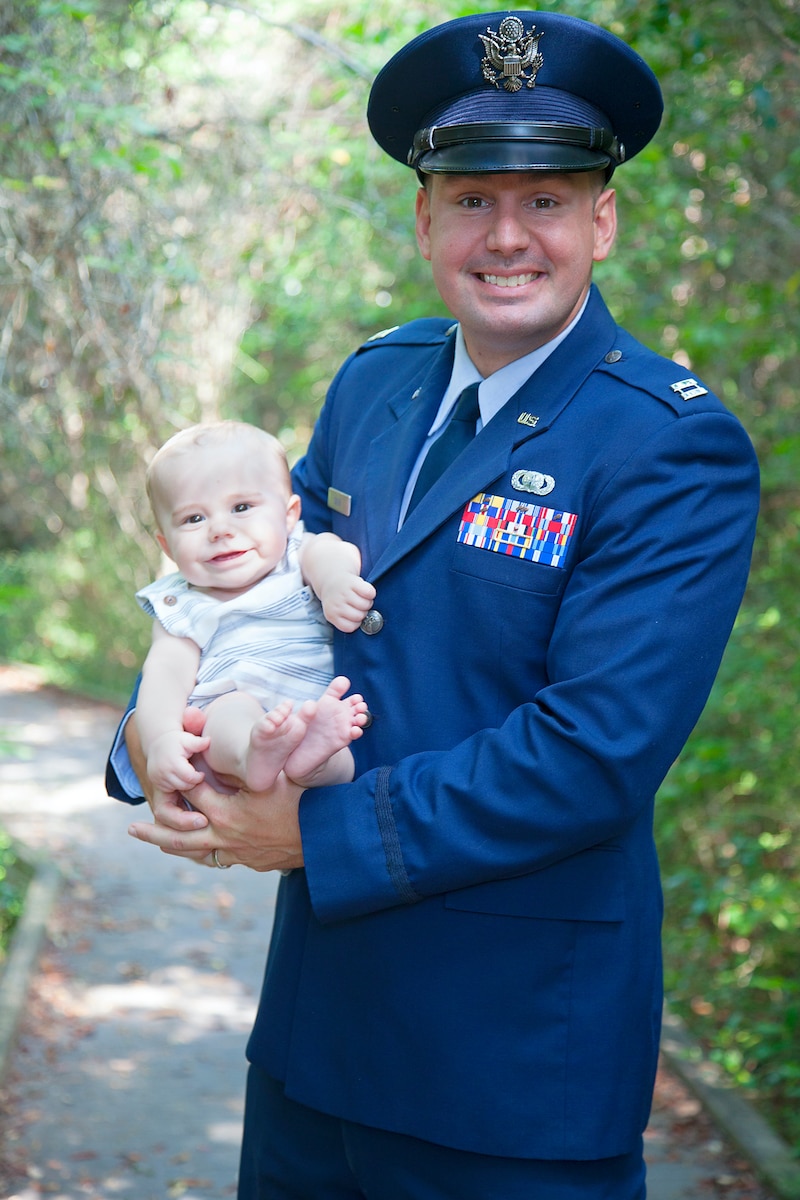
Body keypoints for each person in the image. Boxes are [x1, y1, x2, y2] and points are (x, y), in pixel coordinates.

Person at [107, 11, 761, 1199]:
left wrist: (314, 836)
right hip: (315, 1034)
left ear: (601, 221)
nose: (505, 235)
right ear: (423, 220)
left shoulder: (666, 445)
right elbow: (247, 588)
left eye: (545, 199)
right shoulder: (376, 382)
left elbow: (593, 752)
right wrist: (162, 744)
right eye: (470, 199)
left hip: (510, 1064)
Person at [135, 420, 374, 804]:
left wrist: (334, 582)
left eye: (241, 507)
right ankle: (253, 756)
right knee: (227, 716)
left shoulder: (296, 556)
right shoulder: (180, 603)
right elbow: (164, 677)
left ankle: (311, 762)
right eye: (194, 518)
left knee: (340, 752)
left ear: (289, 514)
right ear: (166, 545)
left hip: (312, 706)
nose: (219, 529)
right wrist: (160, 739)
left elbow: (332, 550)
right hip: (235, 709)